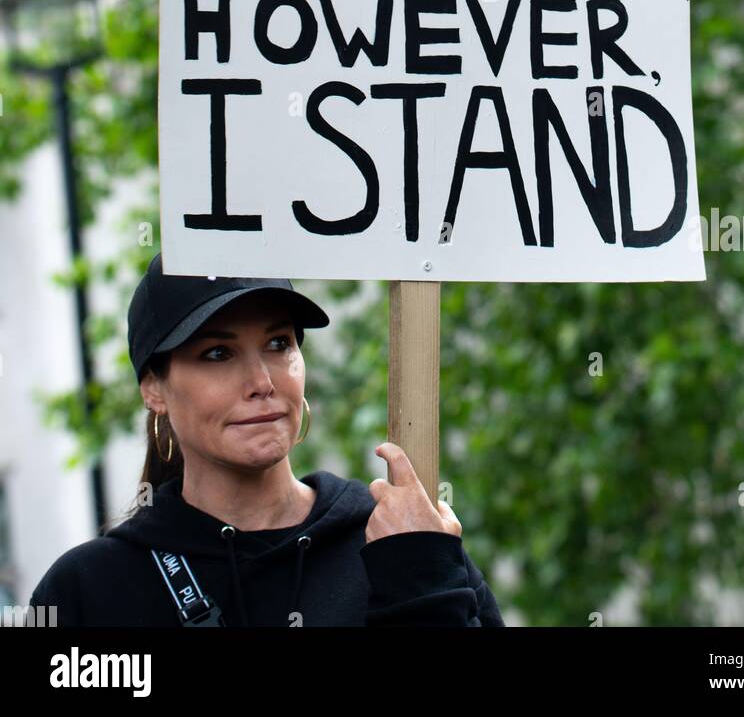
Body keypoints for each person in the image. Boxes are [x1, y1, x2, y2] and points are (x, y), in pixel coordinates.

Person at [28, 253, 505, 627]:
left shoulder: (399, 543)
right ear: (154, 388)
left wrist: (422, 584)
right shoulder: (89, 591)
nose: (261, 380)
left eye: (279, 344)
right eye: (218, 353)